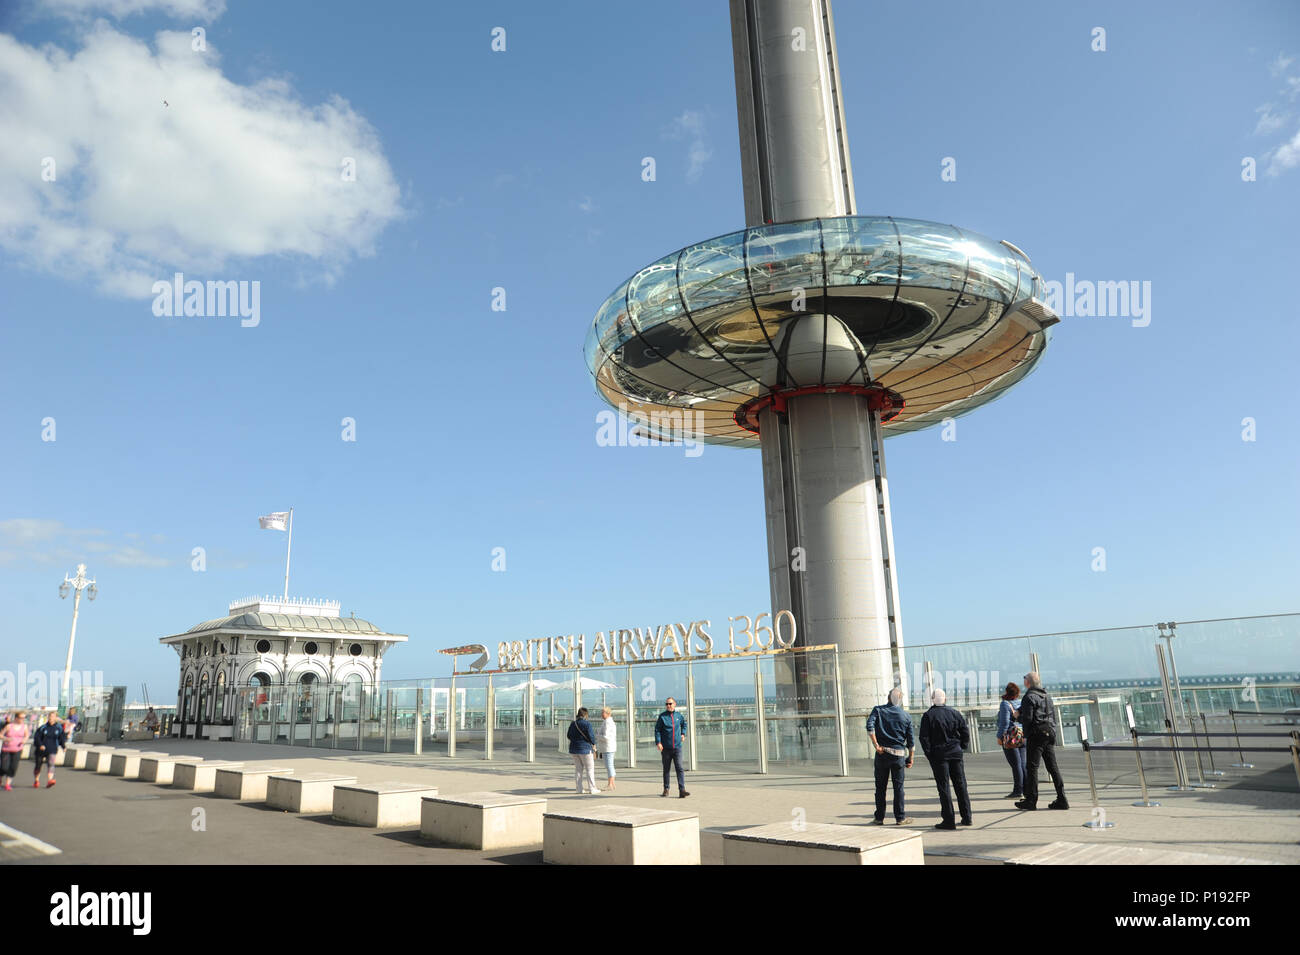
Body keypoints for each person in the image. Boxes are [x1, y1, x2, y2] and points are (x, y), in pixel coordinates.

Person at [918, 689, 972, 830]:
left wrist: (930, 754)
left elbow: (924, 738)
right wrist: (962, 747)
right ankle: (967, 817)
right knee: (961, 786)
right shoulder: (955, 713)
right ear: (945, 699)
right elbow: (965, 731)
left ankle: (949, 820)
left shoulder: (928, 715)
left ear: (932, 699)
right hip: (955, 753)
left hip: (939, 755)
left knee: (944, 788)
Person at [1016, 671, 1069, 810]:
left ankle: (1031, 800)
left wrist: (1017, 717)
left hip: (1036, 735)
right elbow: (1052, 716)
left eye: (1024, 678)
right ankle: (1062, 798)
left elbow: (1027, 719)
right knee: (1052, 767)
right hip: (1049, 733)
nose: (1023, 680)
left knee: (1032, 767)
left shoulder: (1029, 697)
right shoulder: (1046, 696)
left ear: (1028, 682)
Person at [866, 687, 914, 826]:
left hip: (882, 754)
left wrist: (876, 745)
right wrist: (910, 758)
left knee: (880, 788)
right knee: (898, 788)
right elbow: (911, 742)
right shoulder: (906, 716)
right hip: (898, 756)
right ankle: (900, 818)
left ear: (888, 698)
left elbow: (869, 727)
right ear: (900, 700)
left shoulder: (878, 710)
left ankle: (879, 817)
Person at [654, 697, 690, 798]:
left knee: (679, 768)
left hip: (677, 747)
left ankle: (682, 790)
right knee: (666, 769)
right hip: (666, 748)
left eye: (670, 704)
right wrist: (658, 742)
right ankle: (666, 789)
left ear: (674, 704)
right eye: (667, 704)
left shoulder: (679, 716)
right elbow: (657, 730)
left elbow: (684, 724)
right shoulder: (662, 717)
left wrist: (683, 733)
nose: (668, 706)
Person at [996, 682, 1027, 799]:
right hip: (1022, 736)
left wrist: (999, 737)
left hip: (1011, 738)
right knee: (1022, 764)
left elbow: (1004, 723)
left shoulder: (1005, 704)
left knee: (1016, 765)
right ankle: (1026, 788)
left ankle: (1018, 790)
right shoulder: (1019, 702)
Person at [566, 707, 599, 795]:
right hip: (585, 749)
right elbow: (591, 736)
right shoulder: (587, 724)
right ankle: (592, 788)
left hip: (574, 749)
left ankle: (579, 789)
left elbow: (568, 735)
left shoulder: (573, 724)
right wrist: (594, 743)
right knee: (590, 769)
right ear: (585, 715)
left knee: (578, 770)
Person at [32, 712, 67, 788]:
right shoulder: (43, 727)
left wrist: (63, 746)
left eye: (53, 716)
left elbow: (62, 738)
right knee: (38, 765)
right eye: (50, 716)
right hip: (40, 750)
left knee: (51, 764)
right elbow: (37, 737)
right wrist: (40, 745)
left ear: (55, 718)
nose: (51, 718)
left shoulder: (59, 728)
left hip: (52, 749)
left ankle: (50, 780)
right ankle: (36, 780)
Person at [1, 710, 31, 791]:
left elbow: (27, 735)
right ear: (16, 718)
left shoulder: (24, 727)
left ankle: (7, 784)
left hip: (17, 749)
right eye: (21, 718)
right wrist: (6, 738)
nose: (22, 720)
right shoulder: (9, 726)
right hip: (6, 749)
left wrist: (24, 740)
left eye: (24, 718)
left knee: (13, 767)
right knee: (4, 767)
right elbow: (1, 735)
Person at [595, 706, 617, 791]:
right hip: (608, 747)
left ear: (608, 713)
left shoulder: (608, 723)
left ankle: (610, 783)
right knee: (609, 765)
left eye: (603, 712)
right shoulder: (608, 722)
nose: (601, 714)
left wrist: (597, 736)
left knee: (609, 765)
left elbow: (606, 737)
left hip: (608, 747)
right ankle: (612, 783)